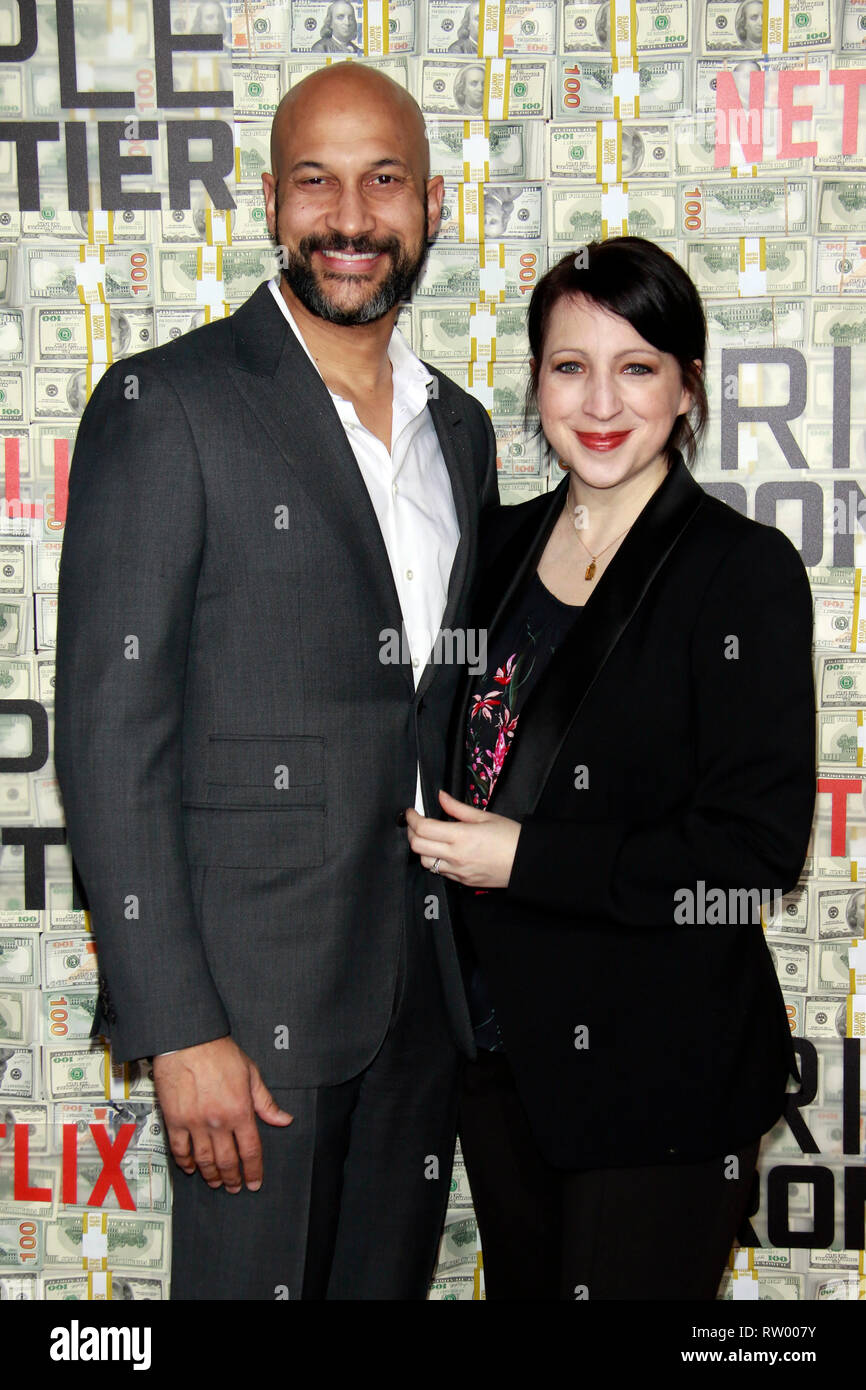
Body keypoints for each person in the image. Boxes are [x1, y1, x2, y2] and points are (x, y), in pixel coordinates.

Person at [54, 62, 498, 1300]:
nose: (349, 216)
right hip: (247, 1014)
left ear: (432, 206)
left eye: (382, 180)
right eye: (316, 179)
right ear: (268, 201)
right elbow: (106, 733)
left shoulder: (458, 431)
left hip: (425, 998)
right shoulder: (171, 403)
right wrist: (176, 1023)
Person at [406, 238, 816, 1300]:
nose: (598, 400)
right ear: (533, 379)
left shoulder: (737, 571)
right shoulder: (490, 548)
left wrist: (527, 858)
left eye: (635, 366)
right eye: (567, 365)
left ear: (686, 386)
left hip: (660, 1070)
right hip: (500, 1059)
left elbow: (753, 850)